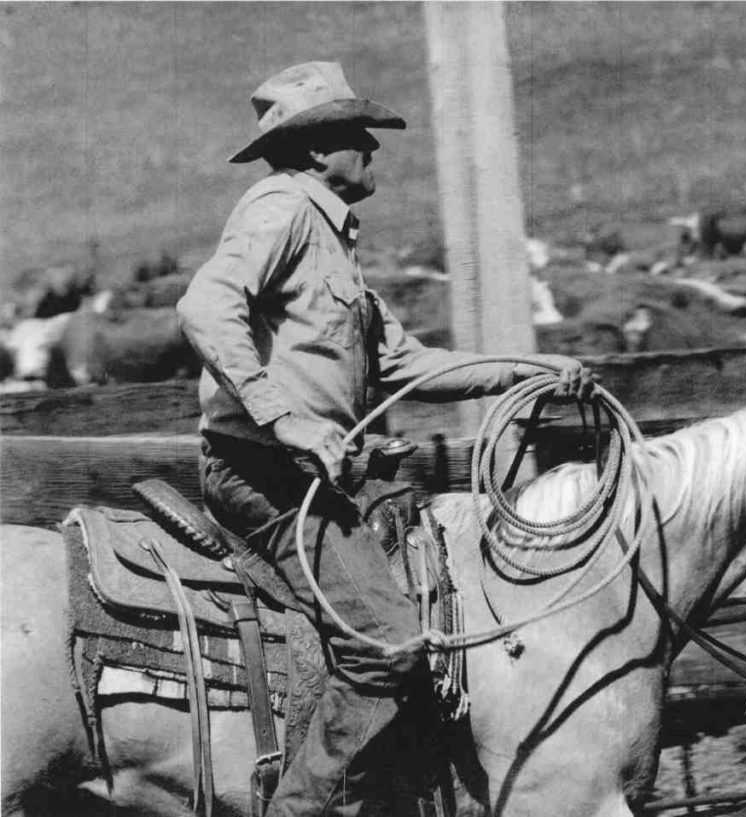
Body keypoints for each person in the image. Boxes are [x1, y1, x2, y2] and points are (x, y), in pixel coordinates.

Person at [177, 60, 594, 816]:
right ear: (315, 151)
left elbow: (406, 365)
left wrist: (529, 371)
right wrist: (287, 418)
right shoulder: (281, 209)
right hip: (265, 473)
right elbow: (206, 307)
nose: (371, 146)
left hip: (306, 474)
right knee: (387, 644)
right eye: (354, 134)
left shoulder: (333, 239)